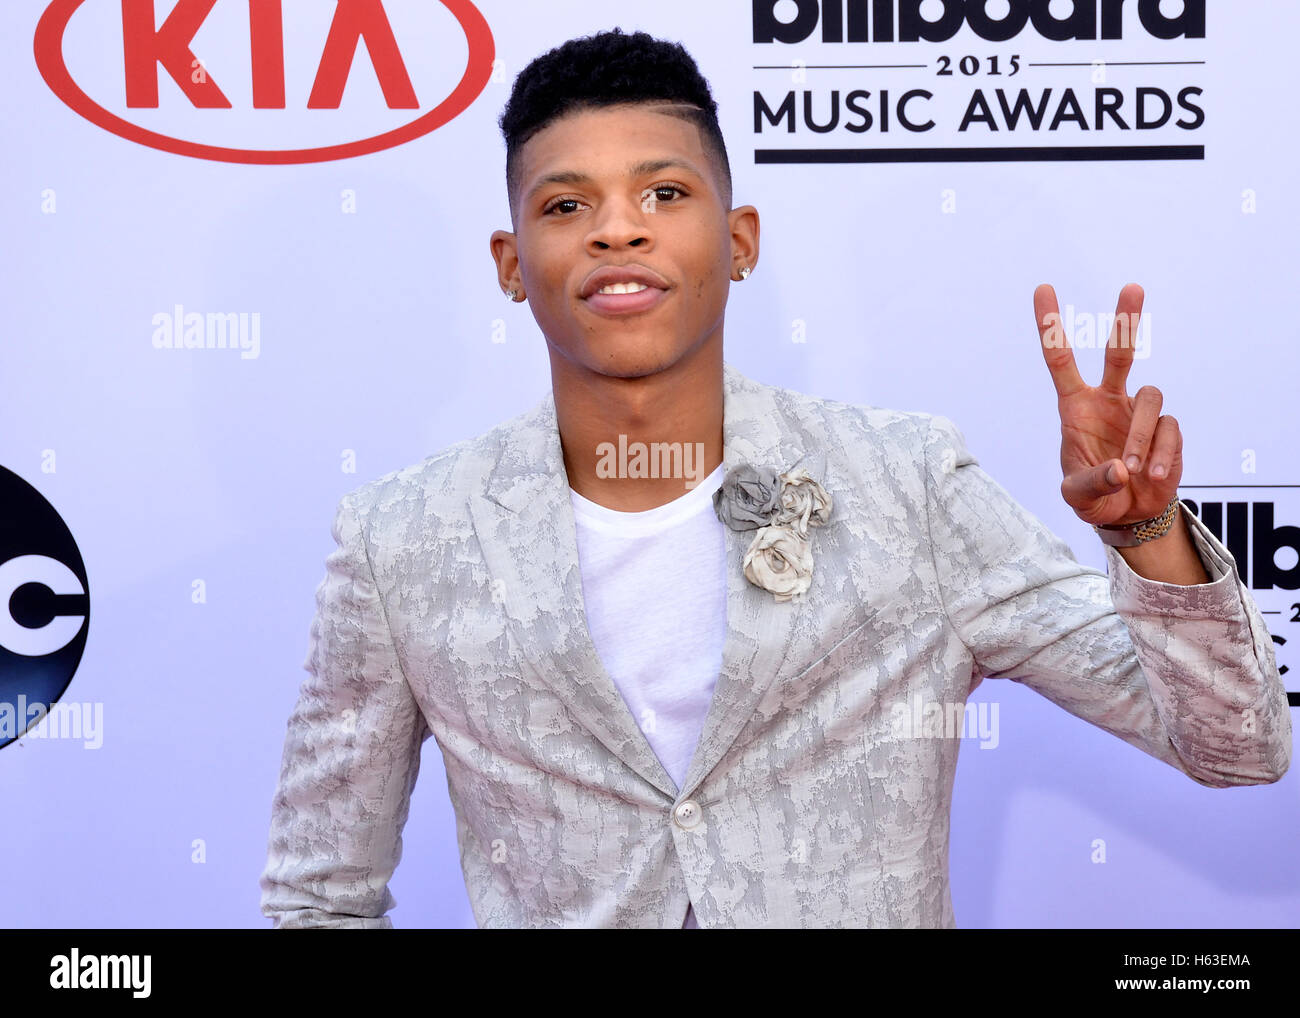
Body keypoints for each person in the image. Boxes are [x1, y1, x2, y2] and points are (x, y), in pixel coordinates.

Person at [258, 27, 1291, 929]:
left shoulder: (905, 483)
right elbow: (319, 894)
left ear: (738, 239)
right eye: (567, 203)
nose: (619, 228)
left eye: (665, 192)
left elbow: (1235, 749)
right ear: (510, 262)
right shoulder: (399, 540)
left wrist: (1147, 530)